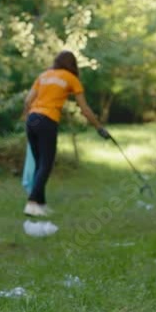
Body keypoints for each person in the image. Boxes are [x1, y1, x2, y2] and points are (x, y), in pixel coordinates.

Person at [22, 51, 111, 217]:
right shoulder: (71, 78)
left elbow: (27, 100)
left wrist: (29, 118)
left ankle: (40, 205)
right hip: (48, 120)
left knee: (39, 162)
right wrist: (99, 127)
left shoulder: (44, 75)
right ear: (72, 65)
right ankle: (32, 202)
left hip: (32, 118)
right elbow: (84, 109)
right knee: (46, 164)